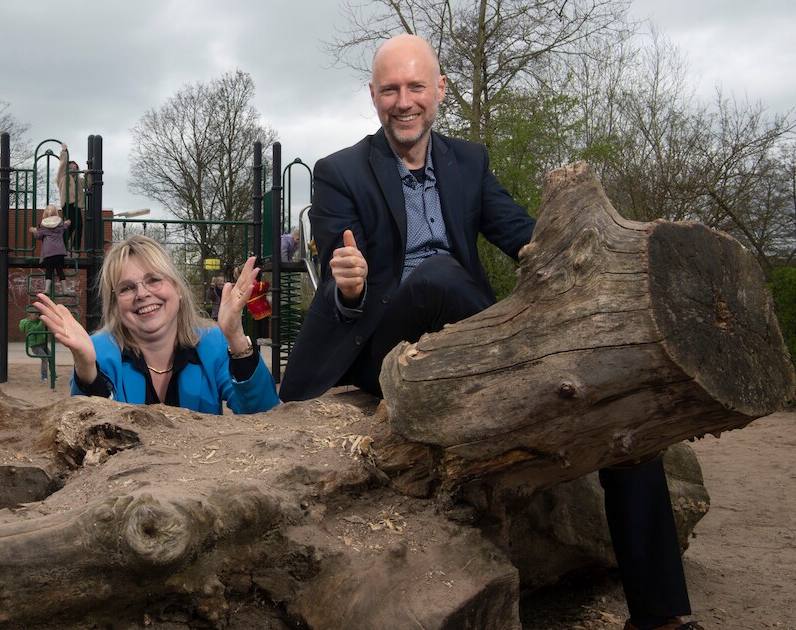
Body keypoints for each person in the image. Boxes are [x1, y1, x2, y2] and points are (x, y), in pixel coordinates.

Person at [280, 35, 700, 630]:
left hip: (471, 347)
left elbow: (528, 239)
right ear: (374, 96)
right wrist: (346, 284)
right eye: (391, 90)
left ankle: (659, 615)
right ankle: (529, 350)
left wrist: (596, 260)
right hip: (384, 349)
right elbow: (342, 267)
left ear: (439, 91)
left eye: (416, 87)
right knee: (439, 275)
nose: (404, 101)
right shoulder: (339, 171)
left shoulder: (468, 162)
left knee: (620, 416)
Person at [33, 235, 279, 414]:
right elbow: (89, 433)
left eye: (153, 280)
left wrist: (236, 339)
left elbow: (263, 417)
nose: (142, 294)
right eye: (127, 288)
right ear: (115, 304)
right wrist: (86, 370)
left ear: (177, 289)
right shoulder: (98, 352)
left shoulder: (212, 344)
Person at [30, 204, 71, 293]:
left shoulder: (43, 225)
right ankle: (65, 289)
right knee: (60, 270)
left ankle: (47, 289)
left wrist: (34, 231)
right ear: (56, 213)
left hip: (49, 252)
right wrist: (67, 223)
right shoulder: (60, 223)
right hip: (59, 251)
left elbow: (39, 236)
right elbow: (64, 227)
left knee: (49, 270)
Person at [56, 143, 87, 251]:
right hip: (67, 204)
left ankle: (74, 246)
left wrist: (88, 174)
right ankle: (63, 244)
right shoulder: (63, 176)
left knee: (78, 225)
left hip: (76, 205)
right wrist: (64, 151)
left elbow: (87, 184)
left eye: (75, 168)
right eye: (71, 168)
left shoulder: (78, 179)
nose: (73, 170)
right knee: (72, 224)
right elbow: (62, 164)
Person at [19, 308, 51, 382]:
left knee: (51, 357)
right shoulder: (27, 323)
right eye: (36, 315)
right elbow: (37, 329)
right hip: (35, 346)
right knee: (44, 358)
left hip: (43, 344)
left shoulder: (37, 321)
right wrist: (43, 320)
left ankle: (53, 374)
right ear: (29, 315)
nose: (37, 316)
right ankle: (44, 375)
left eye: (38, 314)